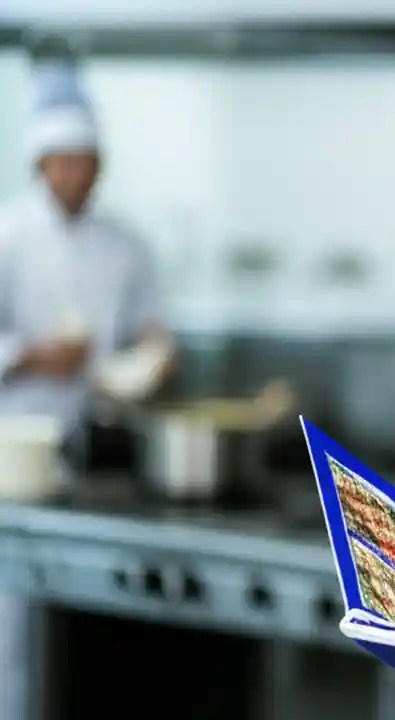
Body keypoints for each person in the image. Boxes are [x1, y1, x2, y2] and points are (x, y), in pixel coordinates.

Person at [0, 58, 175, 719]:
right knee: (10, 635)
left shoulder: (123, 244)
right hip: (14, 459)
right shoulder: (7, 235)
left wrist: (158, 355)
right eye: (64, 162)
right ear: (40, 164)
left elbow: (151, 327)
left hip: (100, 455)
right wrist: (32, 355)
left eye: (88, 161)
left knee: (92, 642)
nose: (78, 175)